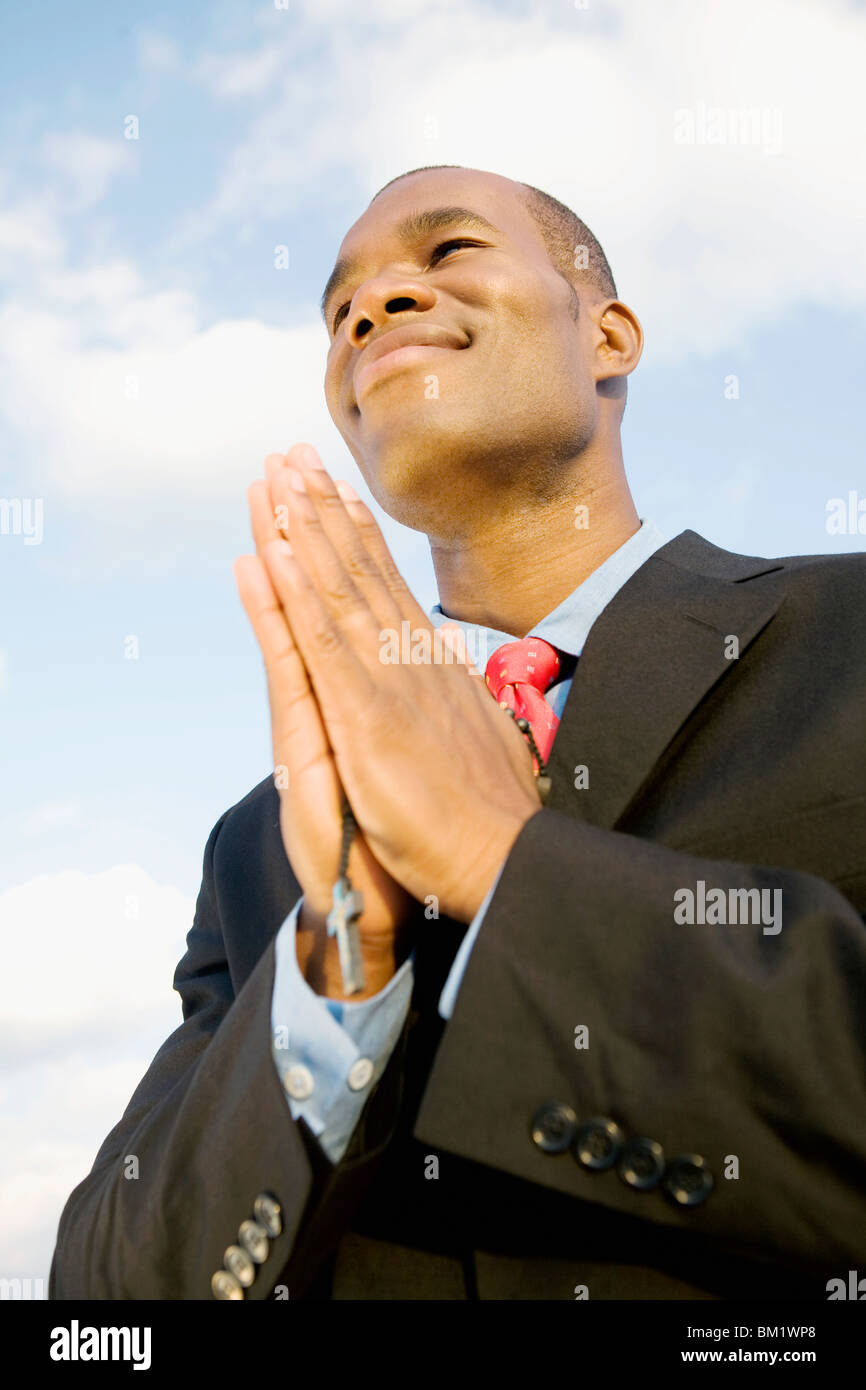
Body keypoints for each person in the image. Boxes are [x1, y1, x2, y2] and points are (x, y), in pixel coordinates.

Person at [50, 165, 866, 1301]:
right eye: (341, 307)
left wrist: (500, 860)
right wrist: (342, 963)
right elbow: (109, 1295)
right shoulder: (261, 843)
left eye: (445, 255)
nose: (371, 308)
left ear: (609, 334)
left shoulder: (846, 638)